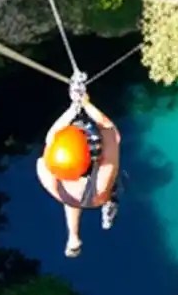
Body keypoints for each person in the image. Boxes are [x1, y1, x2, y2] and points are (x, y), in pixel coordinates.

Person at [36, 92, 121, 257]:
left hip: (69, 196)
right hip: (99, 196)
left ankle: (73, 238)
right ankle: (110, 204)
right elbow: (109, 128)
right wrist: (86, 104)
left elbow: (51, 137)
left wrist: (72, 109)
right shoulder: (103, 177)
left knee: (72, 200)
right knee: (111, 183)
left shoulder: (45, 170)